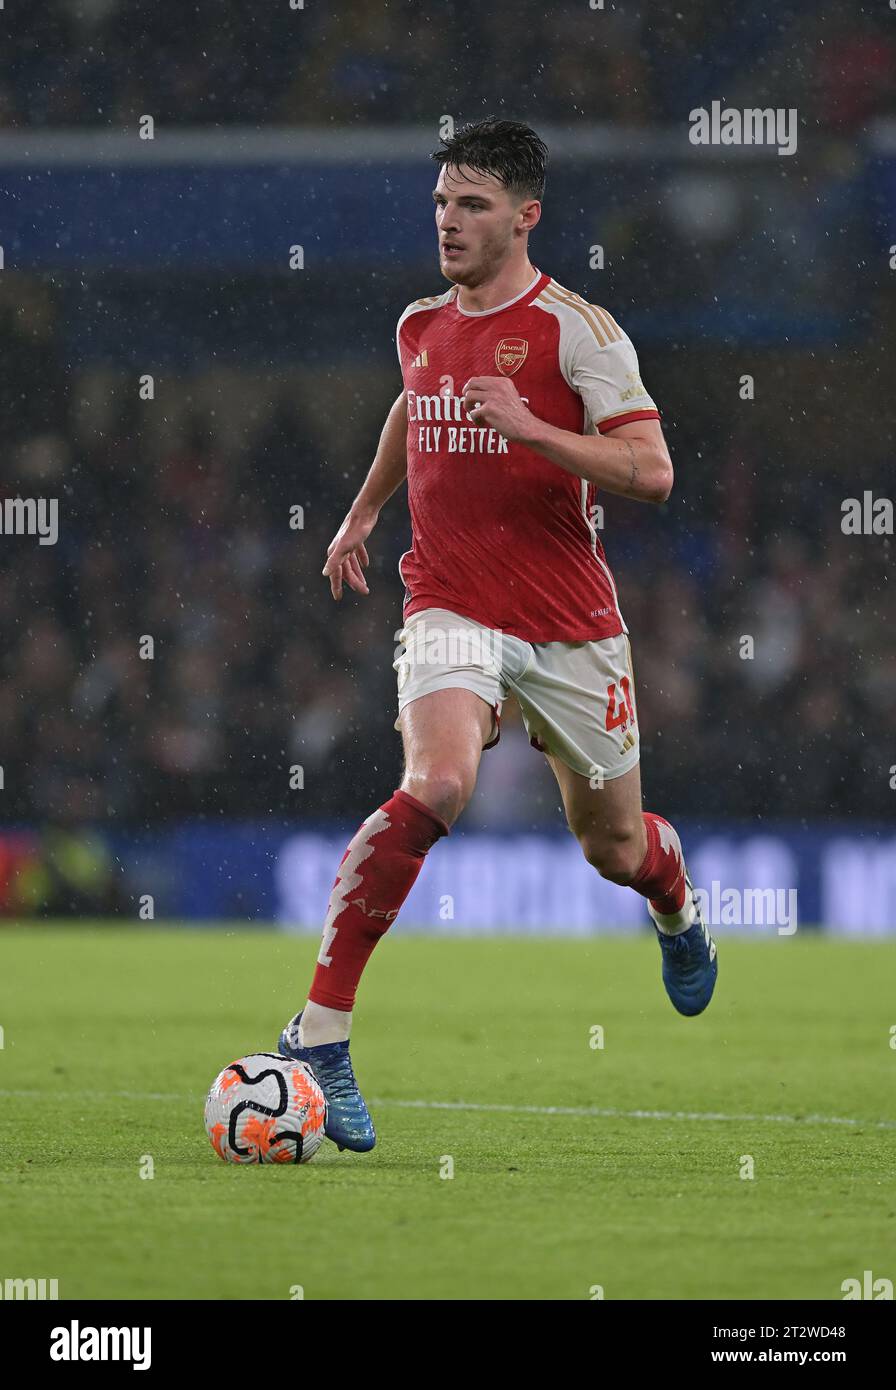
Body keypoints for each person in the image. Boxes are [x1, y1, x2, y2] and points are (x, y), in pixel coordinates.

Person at [278, 118, 717, 1152]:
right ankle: (320, 1034)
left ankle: (674, 898)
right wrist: (362, 509)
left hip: (568, 625)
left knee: (613, 846)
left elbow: (650, 473)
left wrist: (533, 429)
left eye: (471, 205)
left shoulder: (580, 333)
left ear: (525, 215)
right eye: (439, 203)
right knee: (436, 782)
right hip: (448, 603)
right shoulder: (419, 324)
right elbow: (410, 405)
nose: (448, 222)